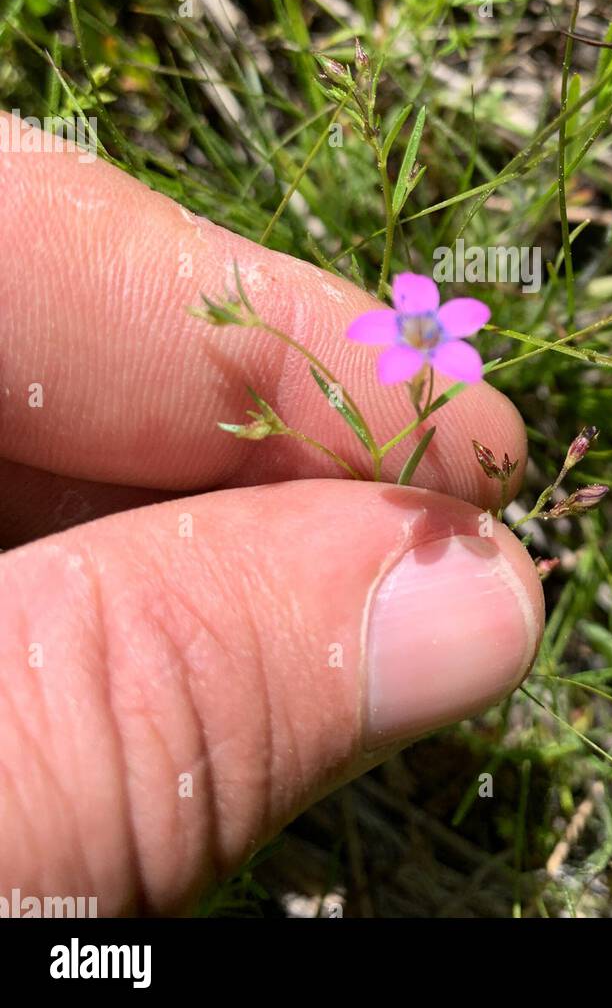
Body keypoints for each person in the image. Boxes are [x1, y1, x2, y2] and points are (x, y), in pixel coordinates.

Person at [0, 111, 543, 915]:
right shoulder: (398, 345)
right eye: (414, 328)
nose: (420, 331)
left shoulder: (428, 351)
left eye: (427, 330)